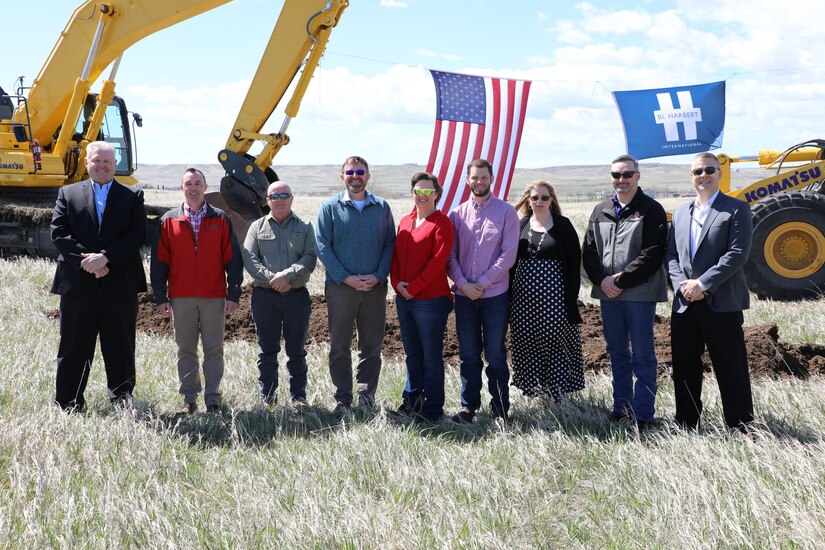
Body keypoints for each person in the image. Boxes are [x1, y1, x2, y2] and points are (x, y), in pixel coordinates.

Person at [50, 140, 147, 412]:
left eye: (107, 162)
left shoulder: (132, 196)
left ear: (115, 165)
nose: (102, 166)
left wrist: (106, 258)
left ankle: (121, 398)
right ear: (86, 163)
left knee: (121, 345)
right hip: (78, 285)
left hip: (119, 285)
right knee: (74, 345)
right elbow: (59, 232)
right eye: (97, 161)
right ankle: (68, 402)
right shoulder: (67, 193)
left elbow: (138, 234)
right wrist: (88, 262)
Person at [666, 152, 754, 432]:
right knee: (684, 366)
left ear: (719, 173)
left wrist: (702, 284)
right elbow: (671, 256)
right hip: (685, 303)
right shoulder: (680, 213)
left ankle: (740, 425)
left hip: (722, 302)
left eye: (708, 170)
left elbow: (737, 254)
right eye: (697, 172)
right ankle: (686, 423)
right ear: (691, 177)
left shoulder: (736, 209)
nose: (703, 176)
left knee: (730, 366)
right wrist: (683, 285)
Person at [582, 155, 668, 428]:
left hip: (639, 295)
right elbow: (589, 251)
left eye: (627, 174)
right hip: (608, 295)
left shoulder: (652, 209)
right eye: (616, 175)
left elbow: (652, 254)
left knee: (642, 355)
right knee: (616, 352)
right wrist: (602, 280)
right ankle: (621, 407)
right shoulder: (600, 210)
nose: (622, 180)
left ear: (637, 176)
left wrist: (620, 281)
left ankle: (643, 415)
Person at [150, 168, 243, 414]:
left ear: (205, 187)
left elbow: (233, 259)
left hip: (214, 296)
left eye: (198, 183)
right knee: (185, 349)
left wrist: (234, 292)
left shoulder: (220, 218)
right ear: (182, 187)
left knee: (214, 349)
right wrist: (160, 296)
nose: (193, 188)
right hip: (181, 297)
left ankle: (213, 398)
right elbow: (159, 262)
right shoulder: (168, 220)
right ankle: (189, 399)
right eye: (188, 183)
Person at [315, 156, 396, 418]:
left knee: (371, 346)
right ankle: (342, 398)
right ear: (342, 177)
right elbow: (322, 246)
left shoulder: (381, 207)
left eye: (360, 172)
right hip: (341, 288)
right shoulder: (330, 208)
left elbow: (390, 244)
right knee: (339, 345)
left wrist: (379, 276)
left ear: (368, 176)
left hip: (374, 289)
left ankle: (366, 396)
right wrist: (345, 277)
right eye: (350, 172)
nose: (355, 176)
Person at [447, 159, 519, 424]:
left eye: (484, 177)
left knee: (496, 354)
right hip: (464, 296)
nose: (479, 182)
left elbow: (508, 255)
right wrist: (463, 284)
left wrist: (484, 283)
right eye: (475, 177)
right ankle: (469, 406)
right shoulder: (457, 215)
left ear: (491, 179)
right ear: (467, 180)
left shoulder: (506, 213)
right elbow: (450, 256)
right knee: (468, 354)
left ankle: (500, 408)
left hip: (495, 297)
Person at [243, 181, 317, 409]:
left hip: (296, 297)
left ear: (292, 198)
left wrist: (287, 276)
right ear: (268, 201)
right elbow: (249, 259)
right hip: (265, 297)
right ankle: (268, 399)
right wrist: (273, 280)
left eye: (284, 195)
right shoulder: (257, 227)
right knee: (267, 351)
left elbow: (310, 257)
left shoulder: (305, 227)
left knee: (297, 351)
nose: (280, 200)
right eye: (274, 196)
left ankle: (298, 398)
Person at [510, 180, 584, 402]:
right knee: (527, 343)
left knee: (555, 344)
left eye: (544, 197)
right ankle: (535, 393)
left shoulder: (563, 225)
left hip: (555, 301)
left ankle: (557, 395)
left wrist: (571, 300)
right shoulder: (521, 224)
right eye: (535, 198)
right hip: (522, 302)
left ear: (551, 199)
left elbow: (574, 265)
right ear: (528, 201)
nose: (539, 201)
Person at [390, 172, 454, 423]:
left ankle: (433, 407)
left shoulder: (442, 224)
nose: (422, 195)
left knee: (430, 356)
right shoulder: (405, 221)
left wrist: (414, 288)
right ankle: (412, 401)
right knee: (412, 353)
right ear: (413, 193)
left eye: (428, 191)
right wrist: (397, 284)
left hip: (431, 300)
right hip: (404, 298)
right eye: (418, 191)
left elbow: (438, 263)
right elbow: (395, 257)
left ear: (436, 194)